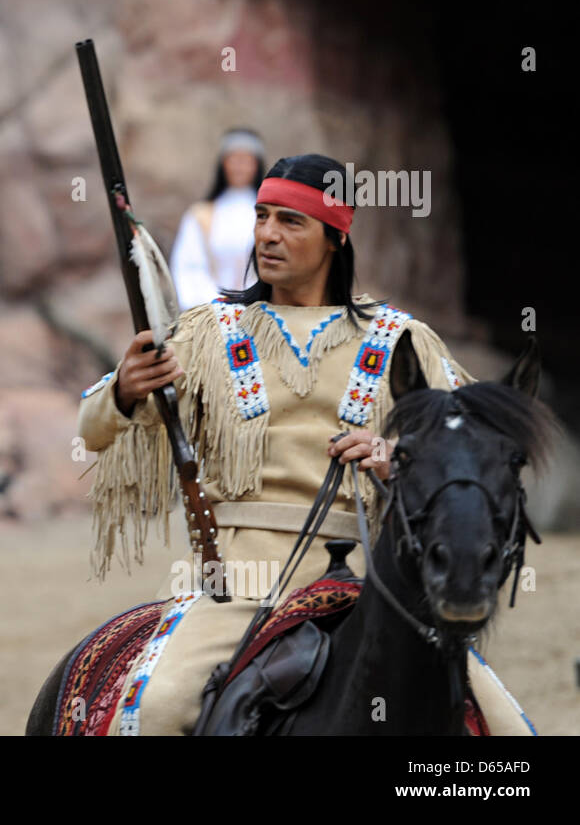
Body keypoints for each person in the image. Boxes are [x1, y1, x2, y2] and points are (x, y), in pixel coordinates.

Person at [78, 153, 534, 735]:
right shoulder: (204, 332)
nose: (267, 234)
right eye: (262, 216)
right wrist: (122, 389)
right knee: (157, 709)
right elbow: (90, 428)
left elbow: (474, 441)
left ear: (334, 237)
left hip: (372, 588)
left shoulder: (402, 339)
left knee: (512, 736)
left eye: (291, 221)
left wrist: (399, 455)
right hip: (238, 590)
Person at [170, 128, 265, 311]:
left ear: (257, 165)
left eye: (246, 160)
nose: (239, 167)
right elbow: (188, 267)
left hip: (261, 312)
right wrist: (218, 305)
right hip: (212, 313)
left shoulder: (268, 215)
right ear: (223, 164)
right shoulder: (200, 215)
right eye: (234, 159)